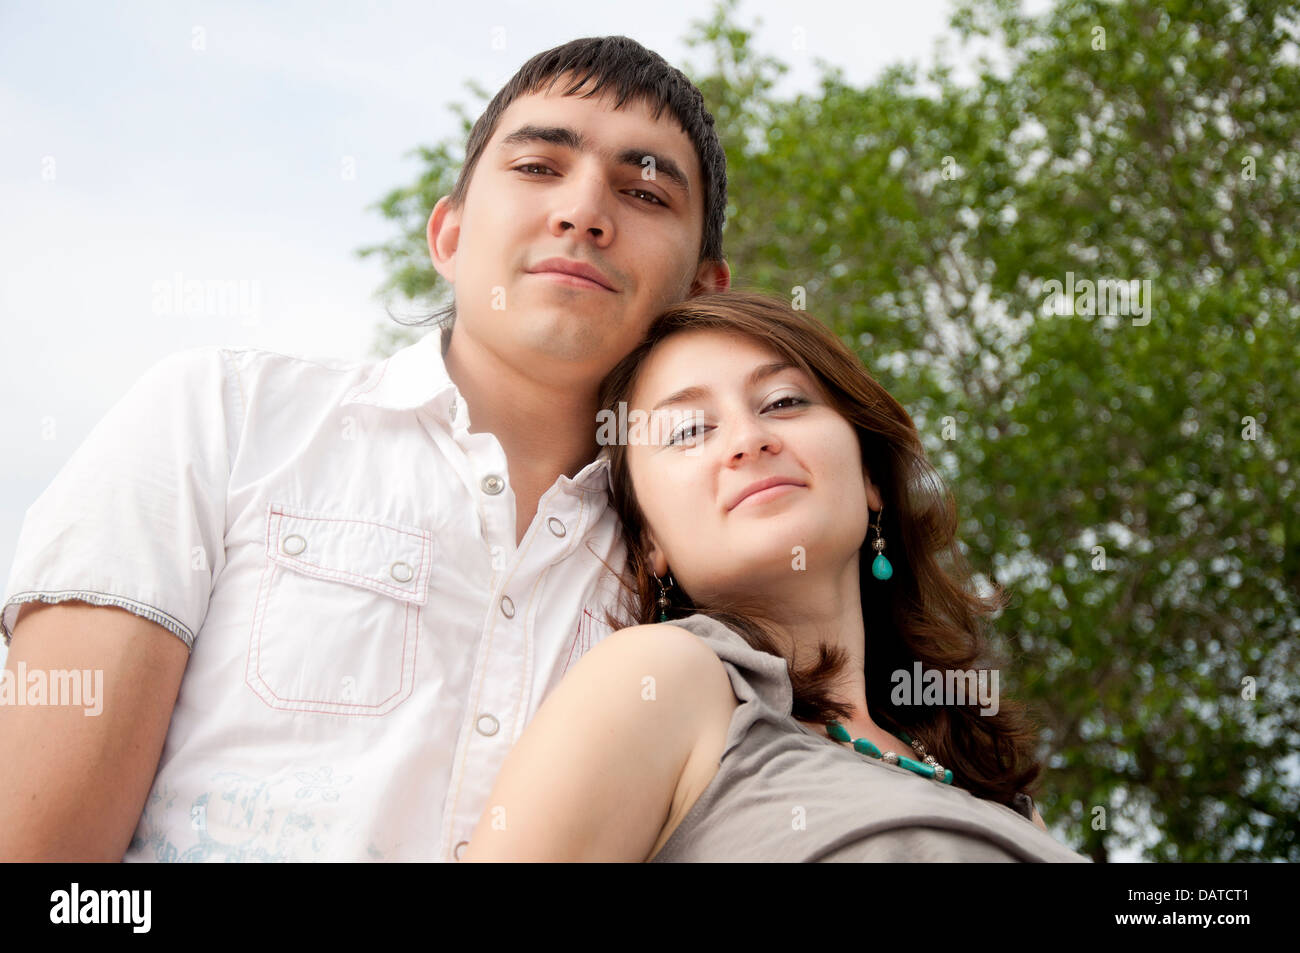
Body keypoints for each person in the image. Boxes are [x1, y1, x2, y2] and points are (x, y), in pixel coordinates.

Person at [0, 36, 730, 862]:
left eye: (643, 191)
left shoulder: (711, 562)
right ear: (449, 236)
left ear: (705, 293)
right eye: (536, 168)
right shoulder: (222, 417)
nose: (584, 212)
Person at [462, 290, 1091, 862]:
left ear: (871, 479)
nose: (748, 439)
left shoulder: (994, 788)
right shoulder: (661, 678)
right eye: (689, 430)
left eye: (784, 402)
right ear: (650, 540)